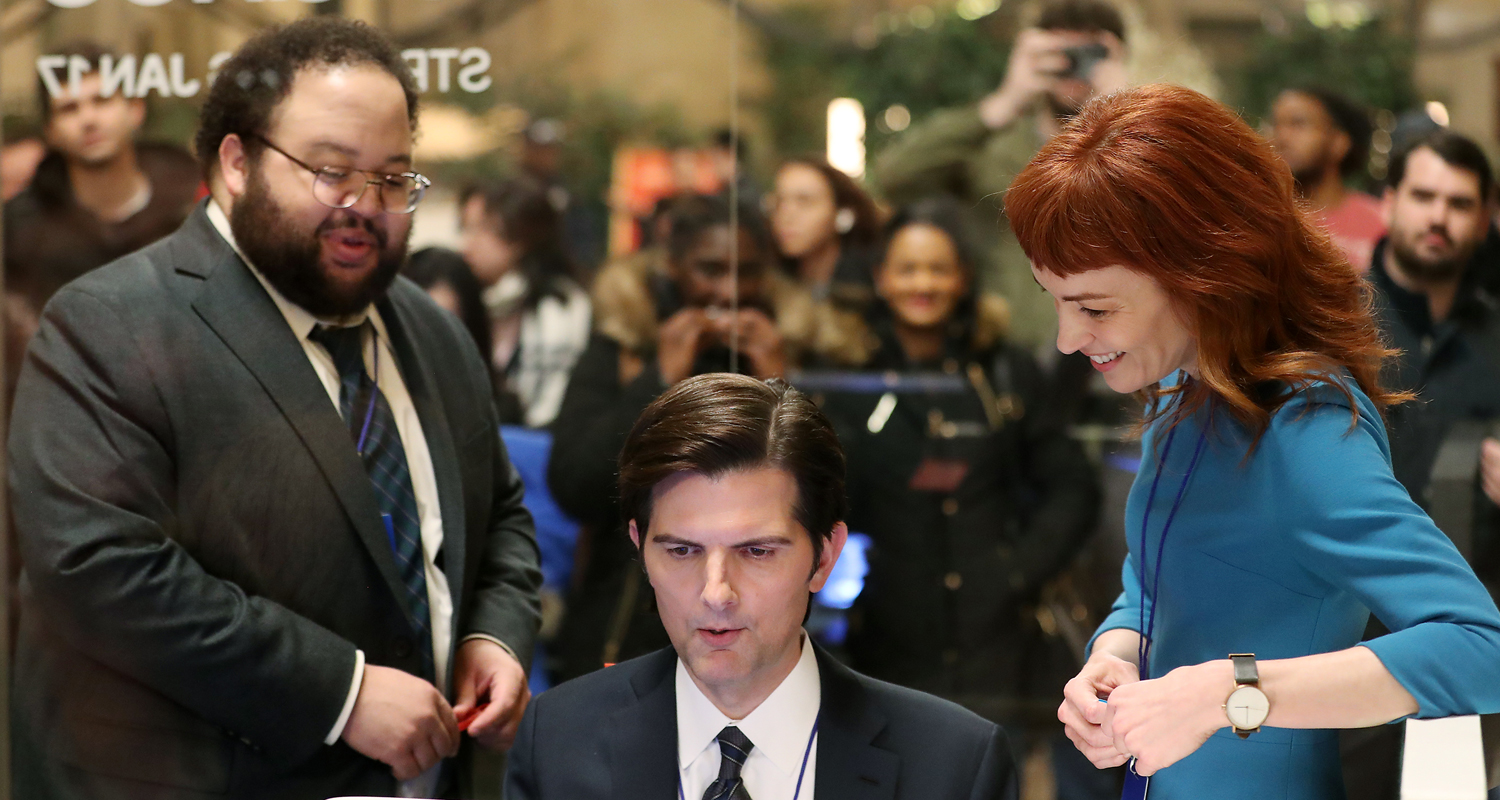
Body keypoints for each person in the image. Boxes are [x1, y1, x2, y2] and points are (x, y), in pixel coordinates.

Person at [9, 17, 542, 799]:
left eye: (394, 178)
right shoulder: (110, 322)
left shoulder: (430, 328)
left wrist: (494, 633)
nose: (366, 205)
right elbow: (99, 568)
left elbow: (497, 517)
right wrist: (342, 692)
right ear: (237, 163)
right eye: (332, 170)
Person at [1006, 84, 1500, 798]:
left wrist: (1226, 694)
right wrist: (1114, 655)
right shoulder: (1184, 391)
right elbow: (1156, 581)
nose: (1068, 337)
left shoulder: (1305, 430)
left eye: (1094, 307)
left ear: (1200, 278)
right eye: (1053, 300)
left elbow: (1479, 646)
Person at [506, 373, 1018, 799]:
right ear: (640, 548)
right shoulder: (556, 739)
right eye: (682, 551)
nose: (716, 592)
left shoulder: (952, 765)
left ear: (824, 556)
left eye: (757, 552)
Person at [547, 194, 865, 683]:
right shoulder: (624, 347)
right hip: (627, 623)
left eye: (749, 272)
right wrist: (655, 377)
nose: (730, 291)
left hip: (770, 638)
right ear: (672, 268)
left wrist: (782, 380)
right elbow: (575, 485)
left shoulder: (804, 345)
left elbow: (851, 492)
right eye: (710, 270)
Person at [1342, 128, 1500, 800]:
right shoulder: (1332, 325)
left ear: (1486, 216)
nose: (1439, 217)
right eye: (1424, 196)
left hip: (1471, 639)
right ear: (1389, 200)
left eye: (1460, 203)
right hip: (1345, 641)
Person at [874, 0, 1128, 350]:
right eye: (1060, 53)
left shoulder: (1132, 152)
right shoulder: (992, 148)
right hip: (1001, 349)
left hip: (1110, 353)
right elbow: (893, 178)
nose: (1072, 68)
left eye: (1089, 53)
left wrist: (1122, 114)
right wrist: (1005, 102)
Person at [4, 42, 200, 383]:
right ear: (50, 130)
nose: (88, 119)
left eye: (102, 100)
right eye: (68, 108)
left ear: (135, 109)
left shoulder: (191, 207)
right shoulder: (21, 230)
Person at [459, 177, 591, 427]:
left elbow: (542, 411)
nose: (466, 244)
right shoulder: (471, 297)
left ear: (520, 235)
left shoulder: (559, 306)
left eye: (482, 228)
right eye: (464, 228)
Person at [1269, 86, 1385, 270]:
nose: (1281, 137)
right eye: (1276, 125)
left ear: (1339, 143)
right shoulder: (1263, 220)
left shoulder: (1381, 223)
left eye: (1298, 124)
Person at [768, 155, 883, 309]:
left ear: (842, 213)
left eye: (805, 201)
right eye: (779, 201)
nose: (786, 215)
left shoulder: (875, 285)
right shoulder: (766, 286)